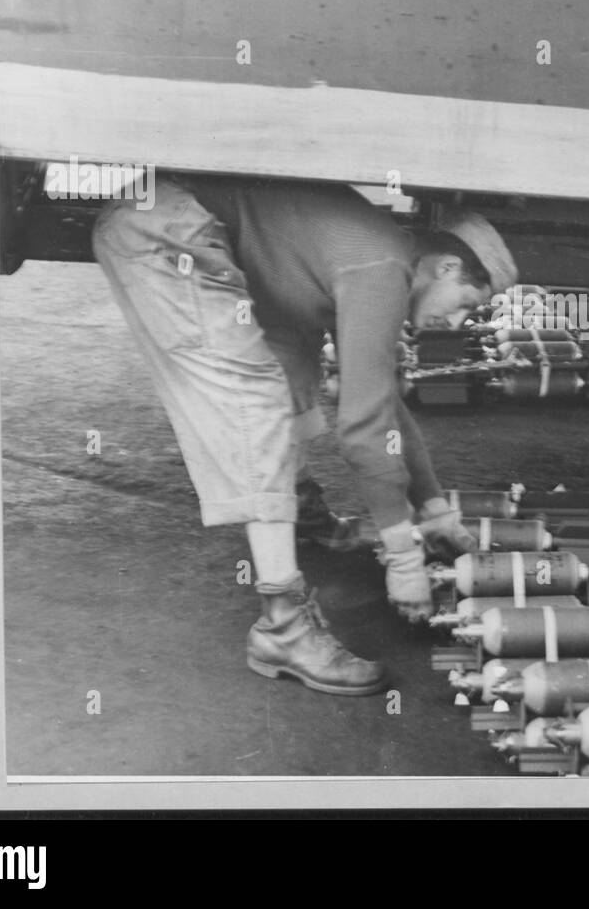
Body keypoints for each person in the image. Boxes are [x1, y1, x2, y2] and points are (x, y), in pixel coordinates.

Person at [92, 173, 518, 695]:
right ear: (446, 266)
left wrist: (433, 508)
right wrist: (404, 558)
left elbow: (376, 396)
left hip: (187, 222)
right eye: (466, 303)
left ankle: (303, 516)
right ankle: (283, 627)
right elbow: (364, 430)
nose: (458, 321)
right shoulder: (382, 268)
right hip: (166, 231)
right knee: (255, 404)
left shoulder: (386, 259)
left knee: (293, 367)